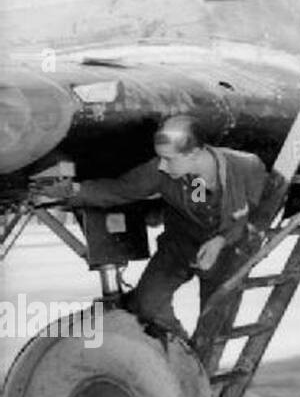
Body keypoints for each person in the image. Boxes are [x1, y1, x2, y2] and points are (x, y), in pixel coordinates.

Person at [31, 116, 280, 339]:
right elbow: (119, 190)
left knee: (214, 327)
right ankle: (185, 354)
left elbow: (257, 220)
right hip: (180, 247)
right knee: (146, 306)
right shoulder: (166, 171)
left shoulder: (246, 167)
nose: (161, 165)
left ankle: (201, 364)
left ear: (195, 153)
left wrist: (222, 241)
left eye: (168, 158)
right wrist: (70, 192)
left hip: (226, 254)